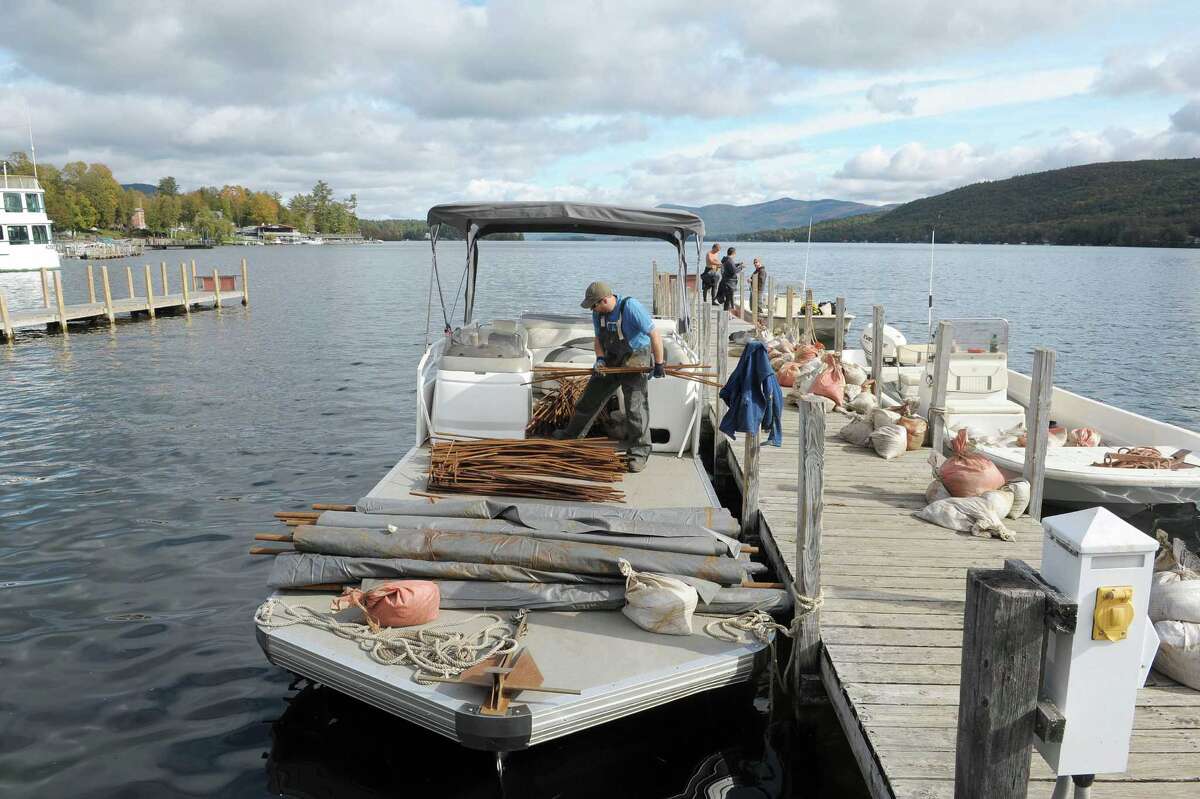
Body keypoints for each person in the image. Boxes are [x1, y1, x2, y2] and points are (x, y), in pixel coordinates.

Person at [551, 281, 665, 473]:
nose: (592, 310)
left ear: (603, 300)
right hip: (610, 357)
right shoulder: (598, 314)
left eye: (593, 305)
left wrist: (660, 363)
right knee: (590, 398)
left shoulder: (630, 307)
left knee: (635, 408)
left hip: (635, 357)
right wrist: (600, 359)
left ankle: (639, 452)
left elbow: (654, 334)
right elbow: (598, 339)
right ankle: (571, 435)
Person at [717, 246, 743, 311]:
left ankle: (728, 313)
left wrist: (737, 264)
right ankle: (727, 314)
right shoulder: (730, 260)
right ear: (734, 253)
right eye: (735, 254)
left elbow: (730, 267)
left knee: (728, 299)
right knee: (728, 300)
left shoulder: (725, 259)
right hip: (729, 283)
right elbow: (734, 271)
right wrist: (741, 268)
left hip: (725, 281)